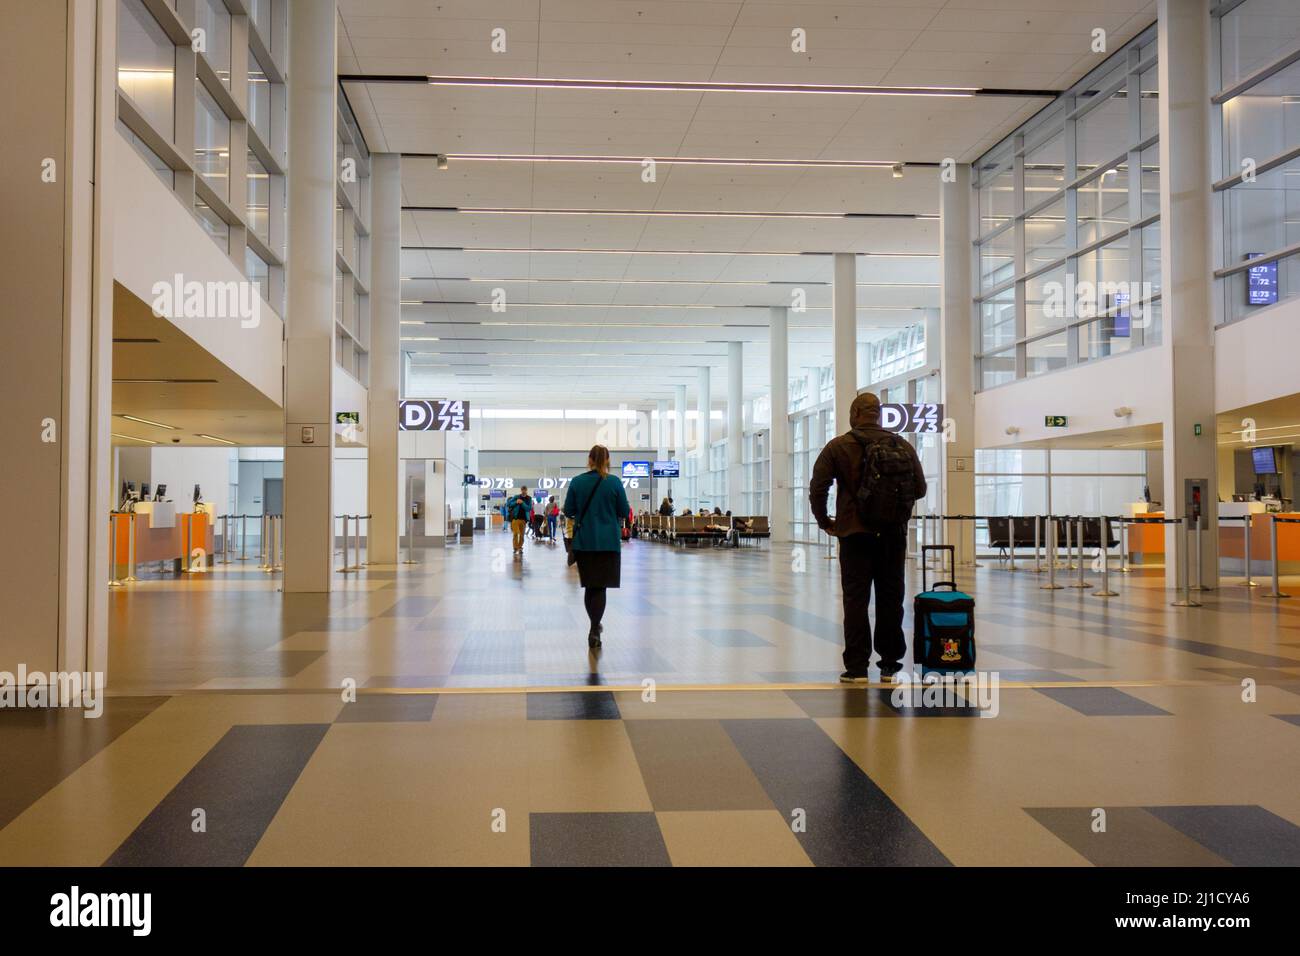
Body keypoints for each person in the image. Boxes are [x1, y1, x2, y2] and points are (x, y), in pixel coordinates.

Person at [810, 391, 925, 684]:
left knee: (856, 600)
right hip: (893, 535)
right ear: (878, 414)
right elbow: (921, 488)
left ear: (854, 413)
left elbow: (817, 488)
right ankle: (889, 665)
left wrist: (826, 522)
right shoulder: (901, 445)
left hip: (854, 534)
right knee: (891, 598)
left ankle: (857, 667)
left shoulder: (838, 446)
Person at [563, 445, 630, 649]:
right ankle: (594, 629)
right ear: (608, 461)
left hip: (585, 542)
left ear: (589, 459)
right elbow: (624, 511)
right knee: (600, 588)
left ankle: (593, 626)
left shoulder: (577, 481)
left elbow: (569, 511)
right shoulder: (615, 482)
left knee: (590, 586)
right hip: (608, 542)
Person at [506, 485, 534, 556]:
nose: (524, 491)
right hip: (515, 519)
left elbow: (529, 508)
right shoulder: (516, 497)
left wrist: (522, 503)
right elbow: (509, 504)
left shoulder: (529, 498)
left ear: (526, 490)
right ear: (521, 490)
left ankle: (520, 547)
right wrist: (516, 502)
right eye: (522, 490)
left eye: (525, 490)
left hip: (523, 520)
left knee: (521, 535)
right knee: (515, 533)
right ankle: (515, 548)